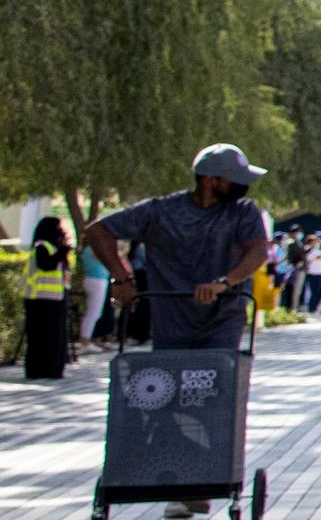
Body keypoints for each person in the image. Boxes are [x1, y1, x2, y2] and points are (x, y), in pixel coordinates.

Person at [88, 145, 274, 354]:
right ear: (209, 181)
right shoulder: (161, 211)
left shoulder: (243, 211)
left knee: (216, 377)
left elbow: (258, 250)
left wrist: (225, 282)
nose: (244, 185)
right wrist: (121, 278)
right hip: (171, 321)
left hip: (224, 317)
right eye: (236, 179)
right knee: (171, 381)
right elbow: (98, 231)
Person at [22, 216, 75, 380]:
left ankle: (53, 368)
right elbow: (46, 265)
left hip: (54, 299)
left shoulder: (53, 247)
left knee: (54, 336)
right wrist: (62, 252)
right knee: (40, 337)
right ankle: (39, 369)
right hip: (40, 300)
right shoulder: (42, 247)